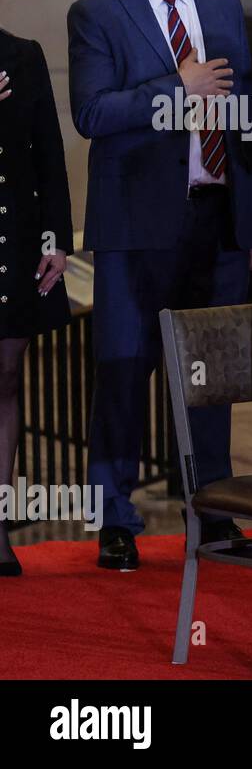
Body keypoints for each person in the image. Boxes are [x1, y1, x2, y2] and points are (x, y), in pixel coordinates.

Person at [67, 0, 252, 571]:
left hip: (217, 217)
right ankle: (115, 520)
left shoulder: (220, 5)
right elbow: (92, 113)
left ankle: (210, 514)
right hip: (136, 226)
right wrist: (174, 91)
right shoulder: (97, 12)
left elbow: (246, 116)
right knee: (125, 370)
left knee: (213, 375)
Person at [0, 28, 74, 577]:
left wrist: (56, 239)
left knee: (5, 374)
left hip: (14, 237)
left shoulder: (22, 55)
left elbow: (48, 151)